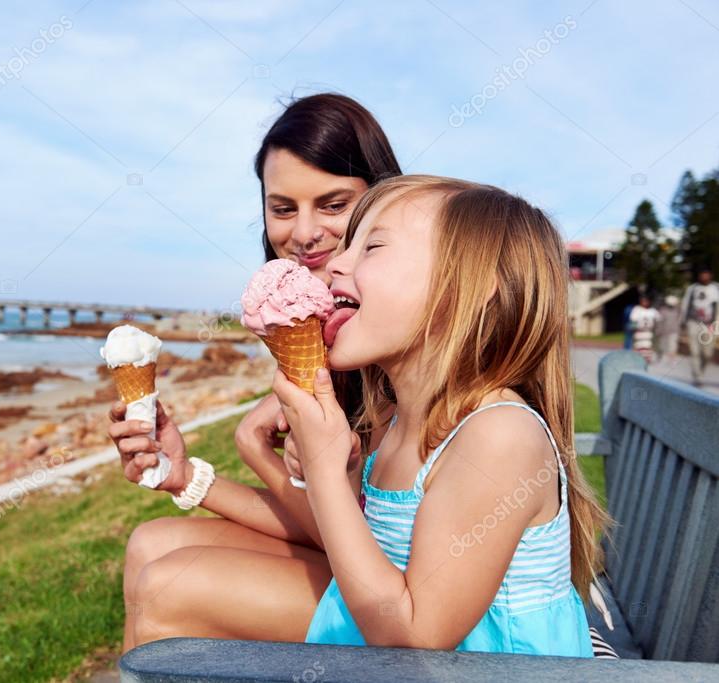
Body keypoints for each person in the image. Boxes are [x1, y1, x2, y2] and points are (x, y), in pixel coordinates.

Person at [110, 94, 402, 650]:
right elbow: (329, 529)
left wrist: (255, 450)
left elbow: (363, 544)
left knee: (169, 588)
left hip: (412, 603)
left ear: (382, 201)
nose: (305, 233)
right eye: (284, 209)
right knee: (150, 544)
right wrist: (184, 477)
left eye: (333, 204)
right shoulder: (330, 344)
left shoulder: (386, 344)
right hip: (366, 559)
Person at [273, 175, 606, 655]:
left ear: (468, 286)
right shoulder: (395, 419)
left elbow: (415, 636)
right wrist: (342, 473)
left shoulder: (498, 436)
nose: (335, 265)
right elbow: (375, 556)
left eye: (372, 247)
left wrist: (323, 473)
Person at [681, 268, 719, 386]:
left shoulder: (716, 288)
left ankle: (700, 371)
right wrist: (682, 321)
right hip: (693, 322)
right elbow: (685, 304)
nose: (704, 277)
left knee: (707, 353)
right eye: (702, 274)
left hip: (709, 324)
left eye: (706, 274)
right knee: (694, 351)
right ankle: (697, 376)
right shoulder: (692, 289)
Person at [628, 294, 660, 364]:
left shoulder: (653, 311)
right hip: (639, 331)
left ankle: (646, 361)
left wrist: (656, 329)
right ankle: (637, 360)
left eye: (646, 301)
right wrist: (633, 329)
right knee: (639, 346)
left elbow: (658, 320)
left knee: (647, 346)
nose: (645, 303)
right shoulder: (637, 309)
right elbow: (633, 321)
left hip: (649, 332)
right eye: (643, 301)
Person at [655, 295, 681, 365]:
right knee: (661, 346)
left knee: (673, 346)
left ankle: (672, 359)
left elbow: (679, 320)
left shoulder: (677, 310)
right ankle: (659, 358)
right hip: (664, 331)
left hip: (674, 331)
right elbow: (660, 321)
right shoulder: (663, 310)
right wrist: (658, 330)